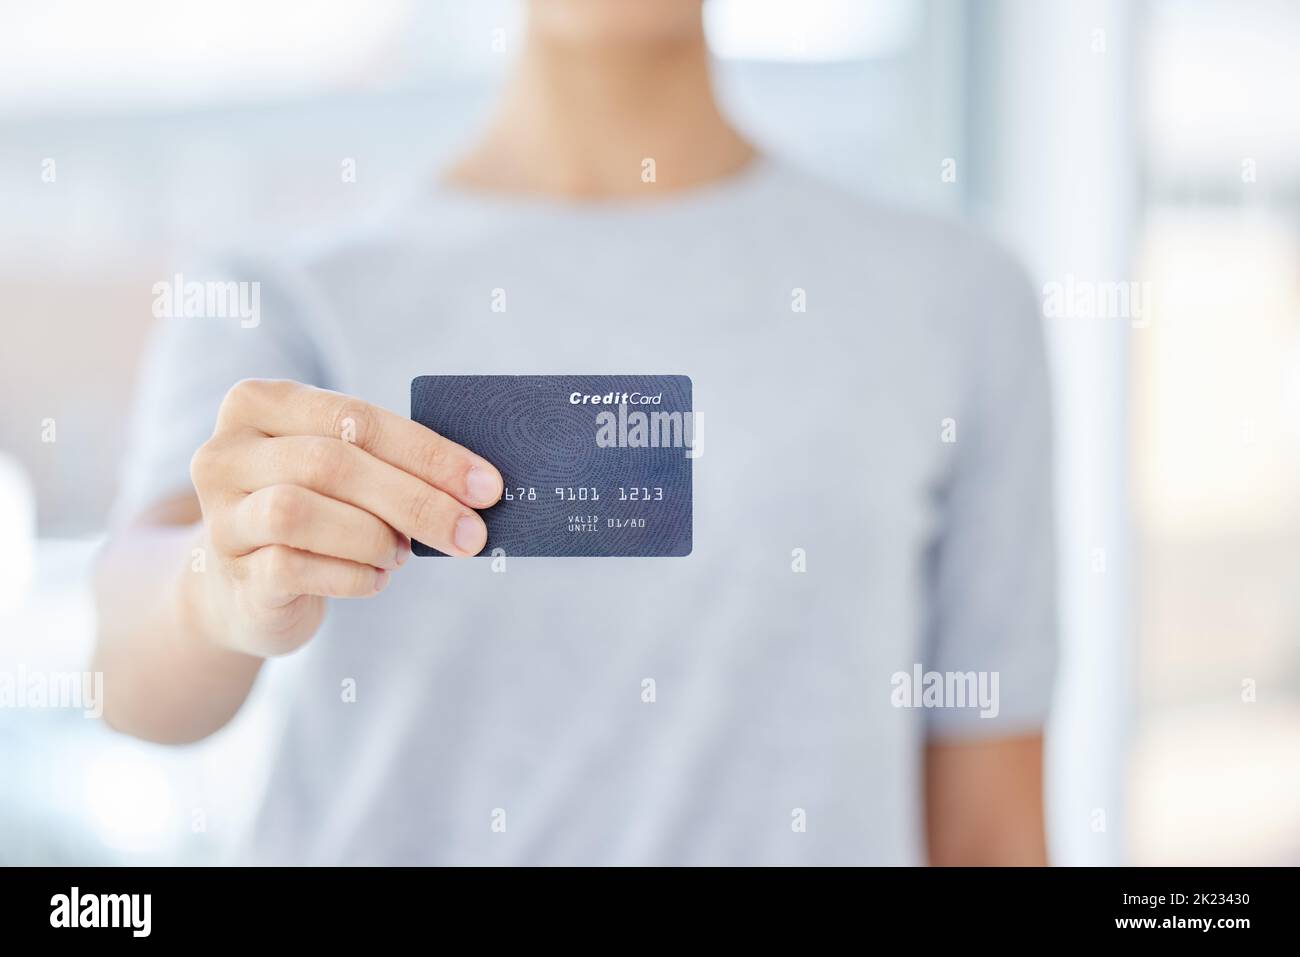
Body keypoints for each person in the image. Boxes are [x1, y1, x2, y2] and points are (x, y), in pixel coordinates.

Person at [93, 0, 1056, 865]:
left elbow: (991, 831)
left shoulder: (954, 300)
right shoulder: (283, 296)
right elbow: (125, 675)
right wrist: (214, 589)